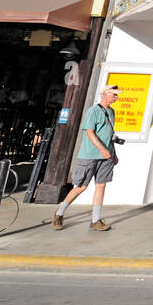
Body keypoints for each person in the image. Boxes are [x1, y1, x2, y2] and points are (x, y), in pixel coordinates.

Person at [53, 84, 121, 231]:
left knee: (101, 186)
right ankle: (59, 213)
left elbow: (110, 134)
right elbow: (89, 132)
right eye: (113, 94)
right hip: (90, 155)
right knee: (81, 187)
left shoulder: (112, 112)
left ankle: (95, 220)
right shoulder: (93, 111)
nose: (116, 96)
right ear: (105, 94)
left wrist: (113, 153)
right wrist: (102, 149)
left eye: (117, 94)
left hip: (106, 156)